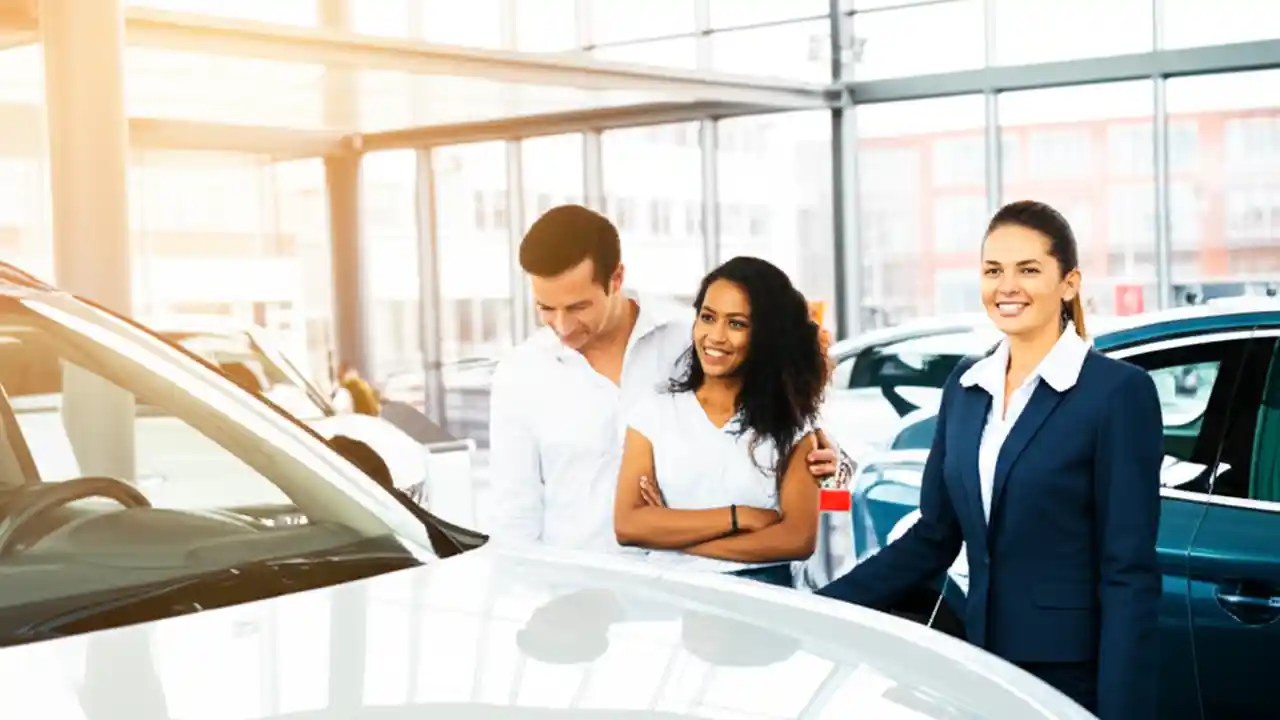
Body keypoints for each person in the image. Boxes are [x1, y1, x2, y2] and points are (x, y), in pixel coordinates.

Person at [816, 200, 1162, 719]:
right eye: (993, 270)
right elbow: (933, 536)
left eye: (1029, 270)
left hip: (1073, 675)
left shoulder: (1116, 393)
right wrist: (820, 608)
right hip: (983, 664)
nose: (1007, 286)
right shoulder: (967, 386)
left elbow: (1128, 572)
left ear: (1069, 283)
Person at [487, 205, 838, 552]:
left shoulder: (694, 338)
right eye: (546, 308)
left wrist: (829, 459)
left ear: (617, 278)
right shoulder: (520, 375)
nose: (562, 326)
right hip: (577, 588)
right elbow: (514, 517)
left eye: (579, 307)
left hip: (689, 580)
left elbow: (783, 416)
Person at [612, 257, 828, 587]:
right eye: (707, 318)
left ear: (765, 335)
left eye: (737, 323)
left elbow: (797, 539)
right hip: (674, 596)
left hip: (765, 595)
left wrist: (674, 535)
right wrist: (739, 517)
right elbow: (629, 525)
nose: (716, 336)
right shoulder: (654, 414)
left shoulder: (792, 427)